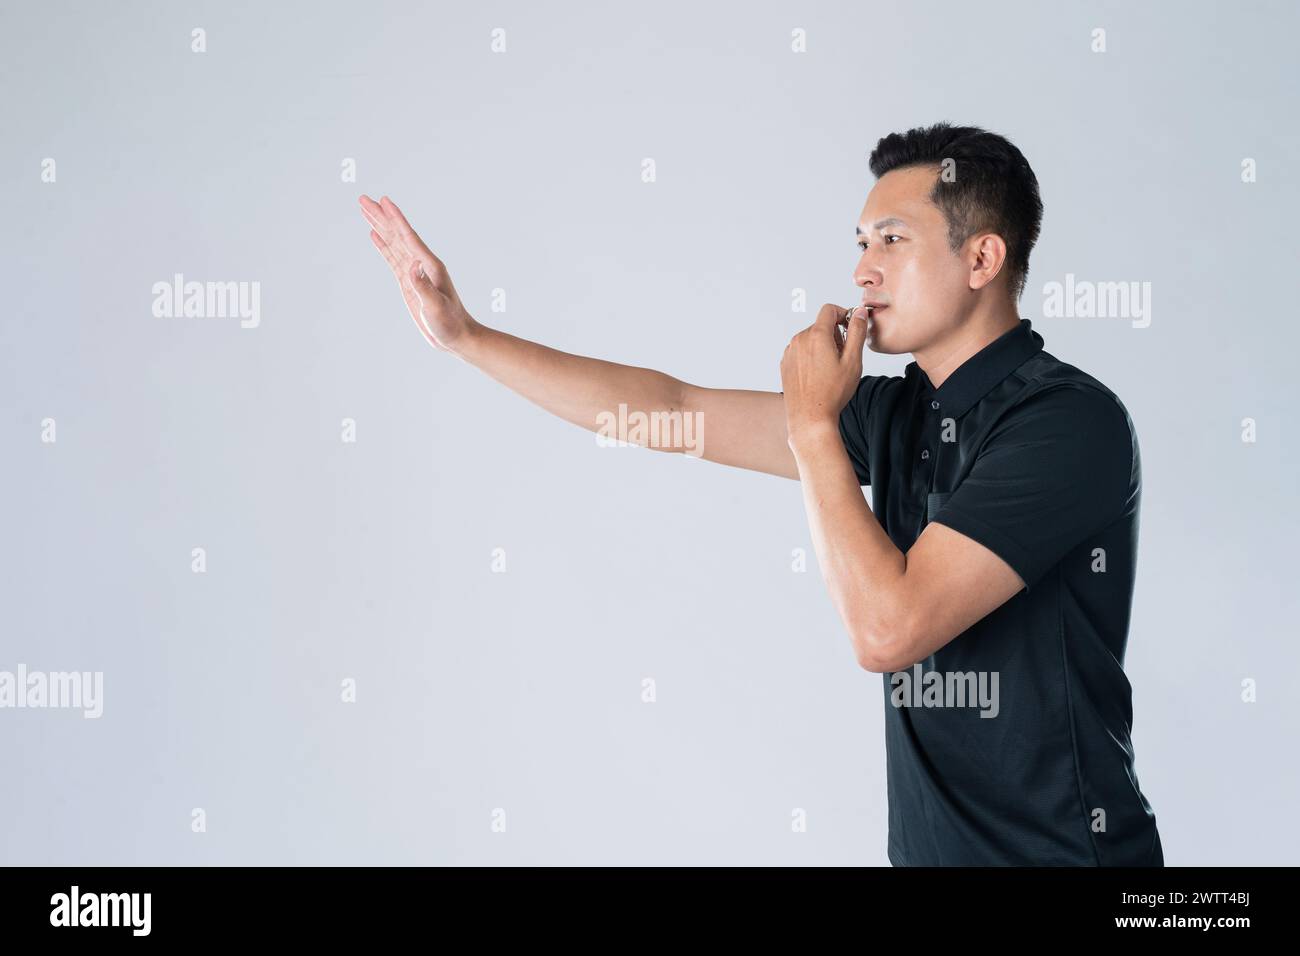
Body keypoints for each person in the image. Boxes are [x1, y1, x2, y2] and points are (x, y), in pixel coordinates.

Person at [358, 122, 1163, 867]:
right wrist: (468, 338)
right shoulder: (901, 413)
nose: (861, 269)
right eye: (859, 242)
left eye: (892, 239)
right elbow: (671, 412)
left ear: (981, 260)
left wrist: (816, 427)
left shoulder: (1066, 422)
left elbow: (888, 630)